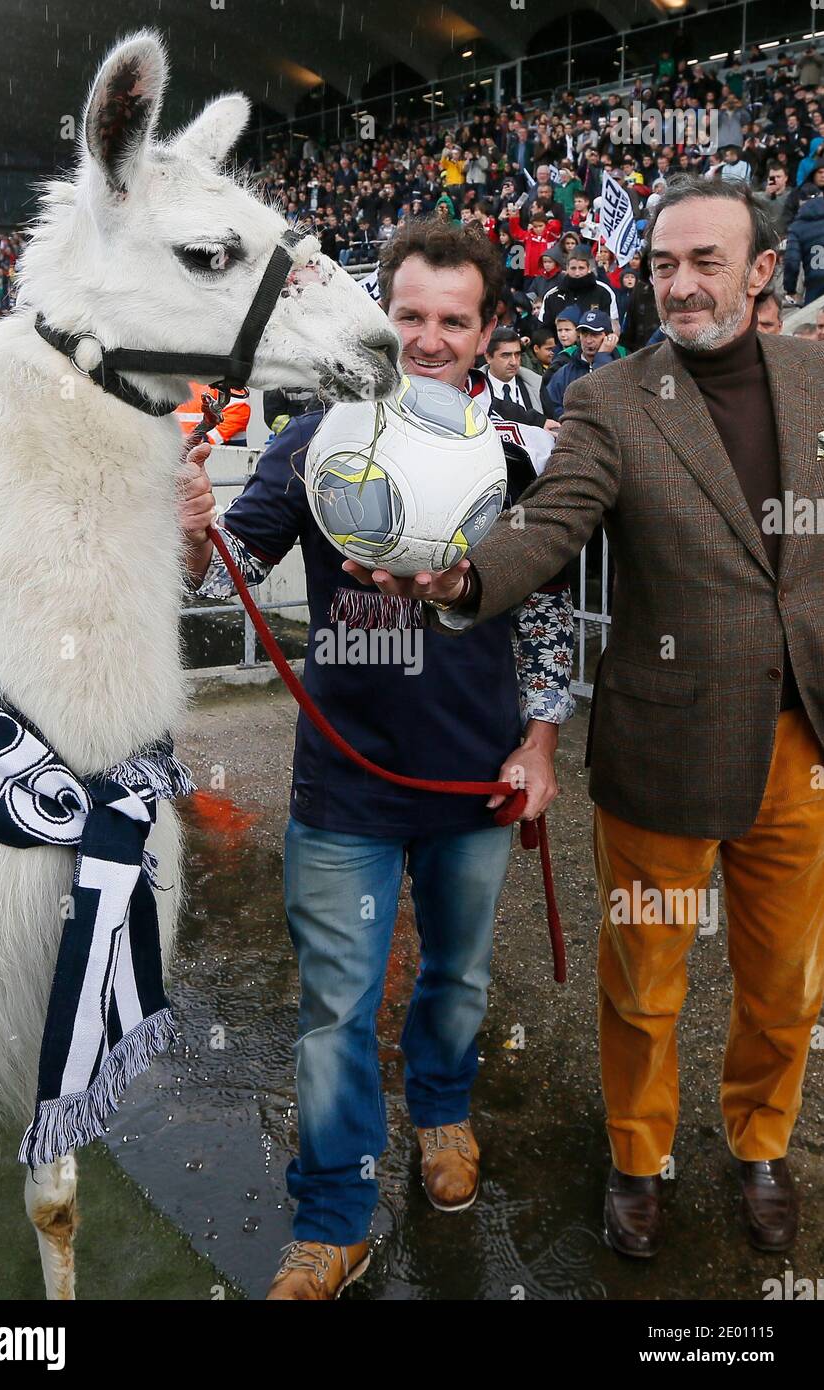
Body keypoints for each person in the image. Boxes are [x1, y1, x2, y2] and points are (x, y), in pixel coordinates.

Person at [354, 176, 824, 1262]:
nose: (681, 282)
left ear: (761, 272)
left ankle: (760, 1145)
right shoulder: (612, 398)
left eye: (708, 261)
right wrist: (464, 581)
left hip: (800, 743)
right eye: (663, 263)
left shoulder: (815, 378)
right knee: (645, 982)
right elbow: (551, 523)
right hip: (665, 744)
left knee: (786, 983)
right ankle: (636, 1157)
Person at [179, 218, 575, 1299]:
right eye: (409, 315)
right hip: (344, 785)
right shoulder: (315, 440)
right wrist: (188, 525)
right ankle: (336, 1216)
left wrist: (539, 741)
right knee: (335, 1009)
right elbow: (224, 577)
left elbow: (544, 620)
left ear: (491, 328)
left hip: (474, 779)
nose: (429, 339)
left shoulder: (525, 453)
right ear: (382, 318)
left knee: (453, 979)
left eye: (454, 319)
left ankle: (443, 1116)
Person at [543, 309, 615, 419]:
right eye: (584, 334)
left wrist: (602, 357)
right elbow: (550, 404)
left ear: (608, 337)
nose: (588, 340)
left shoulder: (621, 364)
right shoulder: (565, 371)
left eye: (594, 334)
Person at [482, 324, 557, 426]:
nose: (514, 362)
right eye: (505, 355)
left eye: (517, 354)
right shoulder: (474, 388)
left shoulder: (536, 385)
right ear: (488, 357)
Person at [540, 245, 620, 337]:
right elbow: (544, 330)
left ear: (589, 269)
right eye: (573, 268)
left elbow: (612, 326)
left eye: (581, 268)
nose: (577, 273)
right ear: (567, 268)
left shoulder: (604, 292)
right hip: (560, 349)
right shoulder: (552, 295)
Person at [783, 186, 824, 304]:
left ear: (800, 202)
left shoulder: (797, 227)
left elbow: (791, 262)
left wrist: (790, 289)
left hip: (815, 286)